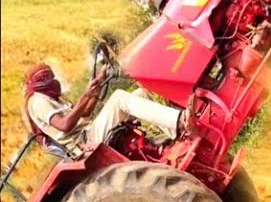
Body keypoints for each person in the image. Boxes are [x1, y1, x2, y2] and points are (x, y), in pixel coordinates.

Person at [23, 62, 183, 158]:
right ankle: (180, 120)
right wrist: (86, 94)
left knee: (140, 93)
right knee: (119, 97)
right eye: (44, 78)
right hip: (84, 142)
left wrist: (96, 88)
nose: (51, 80)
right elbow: (65, 125)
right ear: (35, 82)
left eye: (50, 75)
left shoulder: (53, 98)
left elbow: (84, 113)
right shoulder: (37, 101)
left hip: (90, 130)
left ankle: (177, 132)